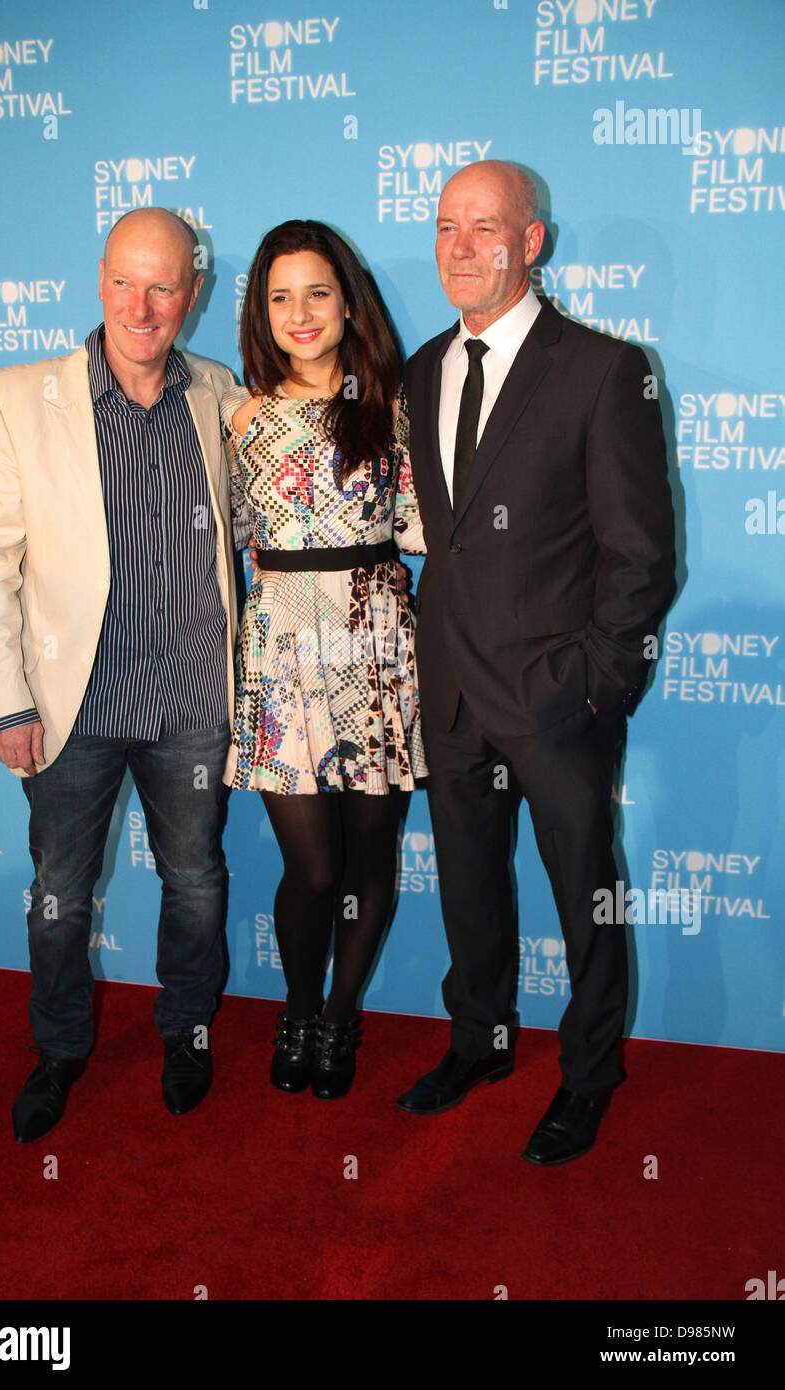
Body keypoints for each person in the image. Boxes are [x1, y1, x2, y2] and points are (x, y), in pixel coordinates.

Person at [397, 161, 675, 1164]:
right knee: (468, 887)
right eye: (444, 226)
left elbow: (639, 553)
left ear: (531, 242)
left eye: (484, 226)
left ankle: (589, 1073)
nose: (461, 245)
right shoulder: (423, 365)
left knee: (581, 897)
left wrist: (596, 685)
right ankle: (478, 1039)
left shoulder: (601, 369)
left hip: (557, 698)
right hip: (452, 691)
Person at [0, 207, 237, 1142]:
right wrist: (6, 704)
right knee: (59, 895)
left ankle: (187, 1029)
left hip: (195, 699)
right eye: (126, 281)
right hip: (71, 706)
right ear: (100, 282)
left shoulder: (220, 394)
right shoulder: (14, 398)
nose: (143, 305)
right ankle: (62, 1050)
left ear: (192, 295)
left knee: (195, 881)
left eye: (164, 286)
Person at [222, 220, 426, 1099]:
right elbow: (225, 541)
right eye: (279, 296)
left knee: (370, 856)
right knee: (313, 867)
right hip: (281, 654)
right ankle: (298, 1007)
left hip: (376, 647)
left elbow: (426, 530)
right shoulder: (239, 417)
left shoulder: (397, 406)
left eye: (316, 292)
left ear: (348, 300)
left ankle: (340, 1020)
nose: (299, 314)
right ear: (259, 313)